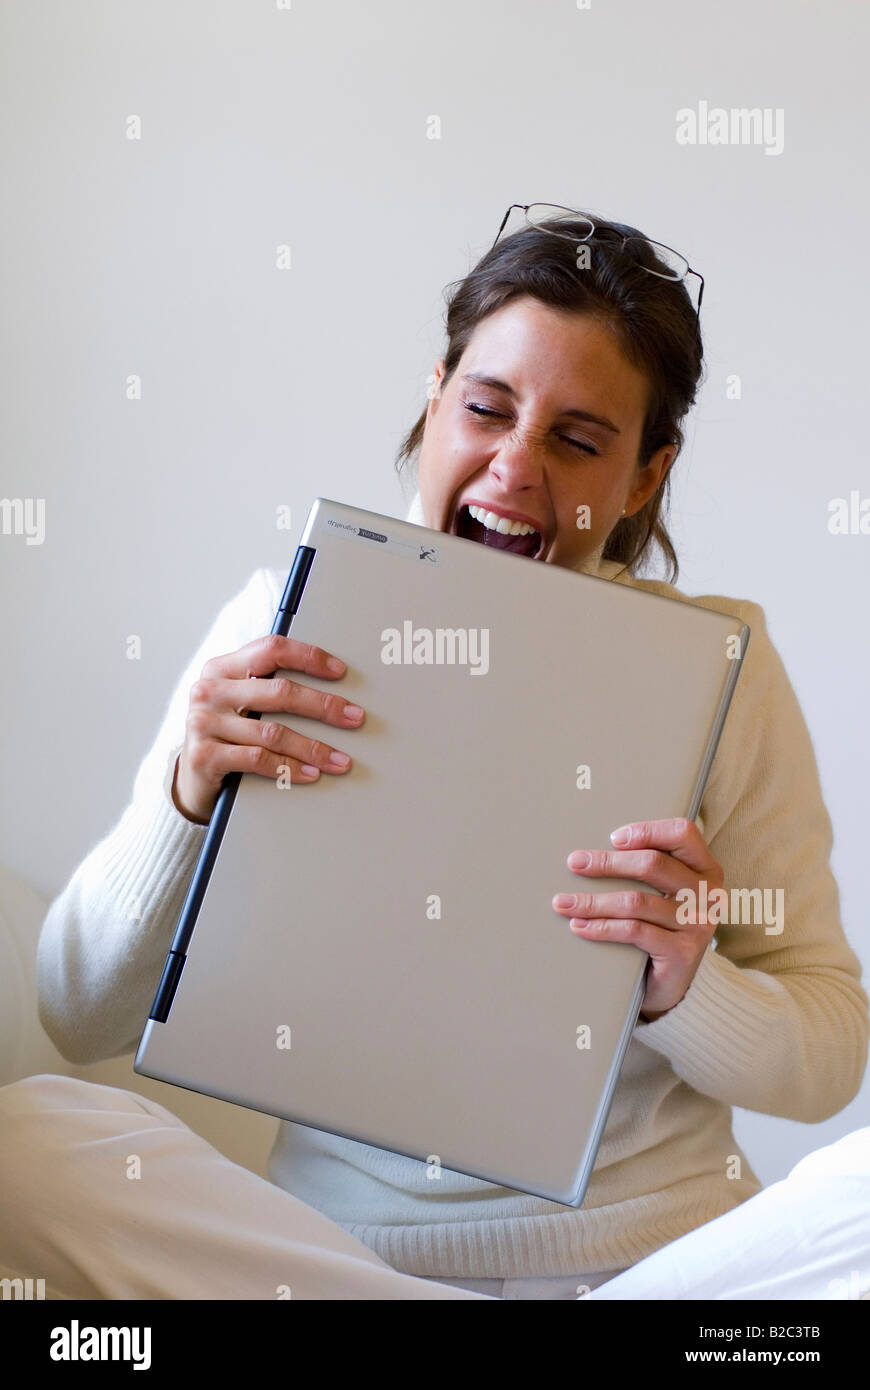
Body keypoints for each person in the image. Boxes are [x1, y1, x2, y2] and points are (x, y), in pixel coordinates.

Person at [8, 206, 868, 1301]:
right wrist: (186, 796)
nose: (513, 469)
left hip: (651, 1270)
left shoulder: (725, 670)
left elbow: (832, 1049)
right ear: (435, 393)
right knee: (32, 1139)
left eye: (577, 439)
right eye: (488, 408)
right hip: (346, 1268)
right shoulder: (277, 625)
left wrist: (687, 985)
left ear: (647, 476)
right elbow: (74, 1012)